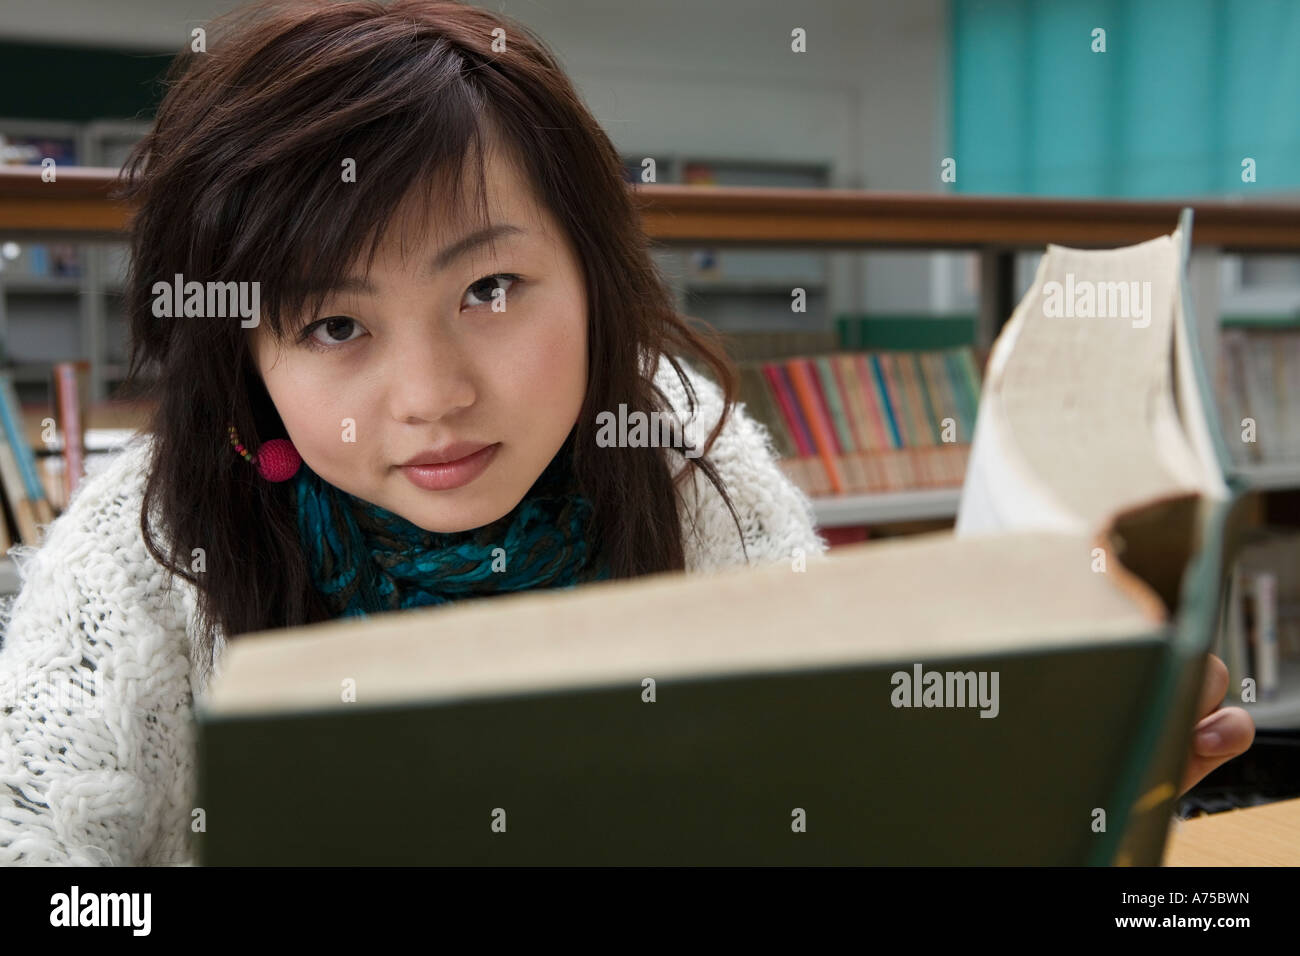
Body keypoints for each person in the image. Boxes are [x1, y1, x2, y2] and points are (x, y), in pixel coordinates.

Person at [0, 0, 1248, 866]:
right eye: (333, 326)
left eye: (488, 292)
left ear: (594, 279)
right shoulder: (141, 556)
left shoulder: (689, 459)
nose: (431, 394)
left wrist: (1064, 775)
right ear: (248, 362)